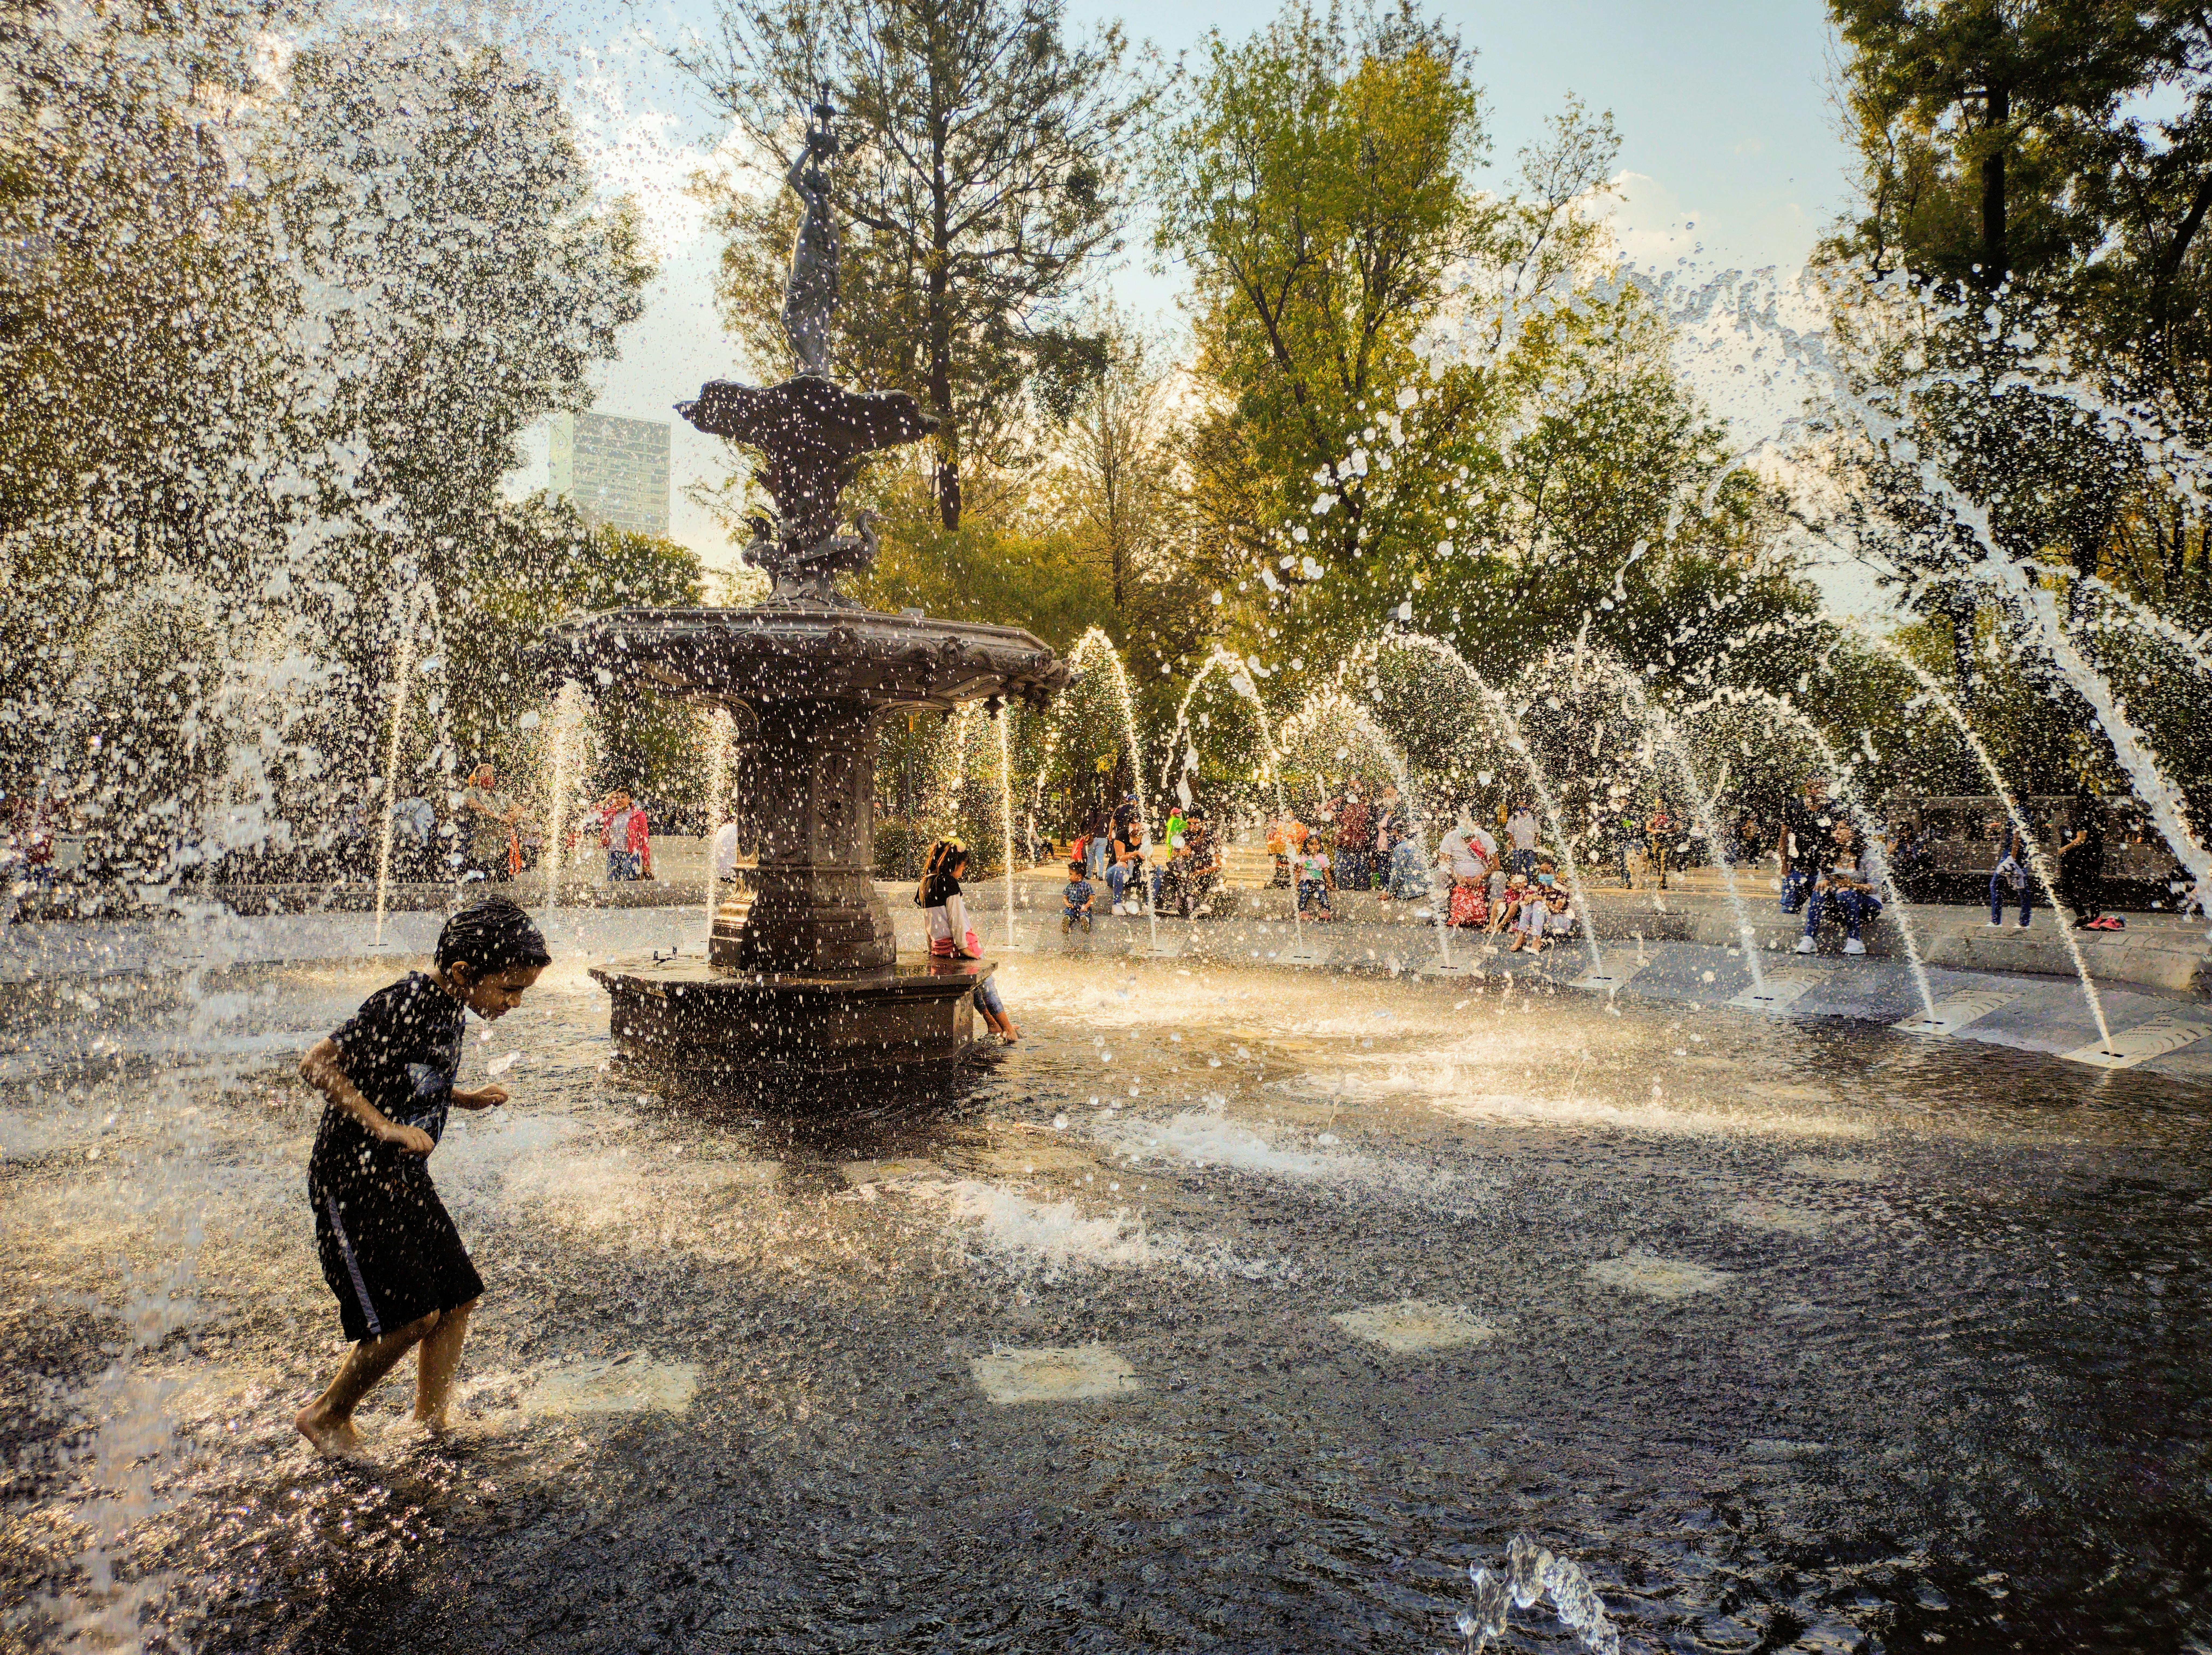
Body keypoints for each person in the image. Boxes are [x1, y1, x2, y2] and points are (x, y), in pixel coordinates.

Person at [294, 896, 551, 1456]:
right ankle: (328, 1413)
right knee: (412, 1315)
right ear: (464, 972)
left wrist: (462, 1096)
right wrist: (381, 1124)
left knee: (458, 1297)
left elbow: (412, 1074)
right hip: (353, 1177)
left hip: (402, 1175)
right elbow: (317, 1062)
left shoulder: (450, 1005)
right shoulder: (403, 1000)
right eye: (508, 989)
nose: (513, 1002)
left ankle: (430, 1423)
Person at [916, 838, 1017, 1041]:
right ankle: (1008, 1030)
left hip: (941, 948)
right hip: (961, 945)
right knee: (988, 985)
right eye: (962, 867)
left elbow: (928, 922)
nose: (962, 872)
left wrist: (932, 949)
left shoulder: (924, 883)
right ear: (953, 864)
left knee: (975, 989)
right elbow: (956, 920)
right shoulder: (949, 883)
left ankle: (993, 1025)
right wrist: (964, 948)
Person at [1796, 823, 1883, 956]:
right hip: (1838, 907)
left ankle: (1856, 940)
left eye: (1842, 828)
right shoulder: (1830, 853)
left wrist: (1851, 885)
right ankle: (1809, 938)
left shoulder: (1868, 854)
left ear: (1854, 832)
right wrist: (1825, 881)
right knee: (1821, 890)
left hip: (1867, 907)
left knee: (1845, 892)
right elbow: (1820, 880)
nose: (1837, 832)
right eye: (1835, 829)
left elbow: (1875, 887)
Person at [2057, 790, 2121, 931]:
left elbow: (2081, 840)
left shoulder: (2083, 817)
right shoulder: (2100, 816)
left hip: (2079, 858)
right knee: (2093, 888)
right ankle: (2095, 918)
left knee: (2067, 886)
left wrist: (2063, 849)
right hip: (2096, 855)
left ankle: (2082, 916)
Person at [1780, 777, 1840, 912]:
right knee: (1789, 908)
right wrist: (1784, 865)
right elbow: (1783, 837)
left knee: (1825, 910)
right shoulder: (1794, 807)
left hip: (1824, 870)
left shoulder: (1833, 808)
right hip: (1799, 867)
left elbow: (1840, 840)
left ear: (1826, 789)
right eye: (1810, 788)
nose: (1813, 791)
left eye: (1818, 787)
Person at [459, 763, 521, 882]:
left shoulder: (499, 796)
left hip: (499, 852)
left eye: (490, 774)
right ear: (477, 779)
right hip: (477, 852)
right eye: (484, 774)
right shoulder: (471, 792)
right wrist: (497, 817)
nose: (488, 777)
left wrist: (509, 817)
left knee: (502, 888)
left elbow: (520, 809)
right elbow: (474, 805)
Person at [1990, 810, 2035, 928]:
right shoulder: (2025, 811)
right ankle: (2024, 922)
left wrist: (2013, 858)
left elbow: (2017, 834)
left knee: (1996, 885)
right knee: (2023, 888)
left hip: (2012, 855)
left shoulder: (2018, 811)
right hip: (2019, 854)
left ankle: (1996, 921)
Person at [1108, 815, 1155, 914]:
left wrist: (1148, 859)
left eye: (1139, 823)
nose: (1136, 827)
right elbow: (1120, 858)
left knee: (1158, 870)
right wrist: (1135, 854)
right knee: (1122, 866)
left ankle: (1148, 904)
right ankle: (1117, 904)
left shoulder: (1145, 837)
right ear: (1128, 824)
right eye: (1133, 824)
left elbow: (1149, 860)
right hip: (1115, 873)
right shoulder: (1122, 835)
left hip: (1135, 875)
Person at [1294, 830, 1335, 919]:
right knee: (1305, 890)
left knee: (1322, 891)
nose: (1315, 847)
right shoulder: (1303, 858)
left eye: (1317, 844)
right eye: (1312, 844)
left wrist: (1330, 885)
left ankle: (1326, 910)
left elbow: (1327, 872)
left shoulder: (1323, 857)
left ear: (1321, 846)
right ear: (1307, 845)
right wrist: (1296, 884)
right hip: (1305, 881)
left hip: (1318, 881)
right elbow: (1298, 872)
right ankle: (1302, 911)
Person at [1336, 790, 1371, 891]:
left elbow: (1372, 828)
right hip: (1343, 850)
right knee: (1342, 883)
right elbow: (1324, 809)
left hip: (1361, 851)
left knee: (1362, 885)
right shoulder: (1342, 804)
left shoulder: (1367, 807)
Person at [1644, 797, 1675, 891]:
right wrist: (1654, 831)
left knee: (1664, 860)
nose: (1660, 804)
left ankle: (1663, 881)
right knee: (1657, 861)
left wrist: (1668, 831)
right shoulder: (1653, 814)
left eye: (1661, 802)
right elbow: (1648, 827)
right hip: (1656, 841)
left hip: (1667, 841)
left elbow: (1677, 827)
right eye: (1658, 803)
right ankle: (1661, 876)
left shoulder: (1670, 815)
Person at [1505, 800, 1540, 875]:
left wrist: (1537, 844)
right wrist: (1513, 843)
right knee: (1517, 869)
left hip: (1530, 848)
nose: (1521, 807)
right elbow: (1510, 832)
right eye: (1520, 805)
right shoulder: (1514, 817)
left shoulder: (1533, 818)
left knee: (1530, 870)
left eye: (1523, 805)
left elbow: (1538, 832)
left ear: (1527, 806)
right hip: (1518, 848)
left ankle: (1530, 885)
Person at [1061, 859, 1095, 934]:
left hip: (1083, 907)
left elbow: (1092, 899)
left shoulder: (1087, 886)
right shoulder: (1069, 886)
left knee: (1086, 913)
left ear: (1079, 876)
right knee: (1069, 912)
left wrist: (1086, 906)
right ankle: (1067, 920)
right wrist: (1067, 904)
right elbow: (1065, 898)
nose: (1069, 876)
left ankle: (1085, 920)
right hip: (1072, 906)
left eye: (1071, 874)